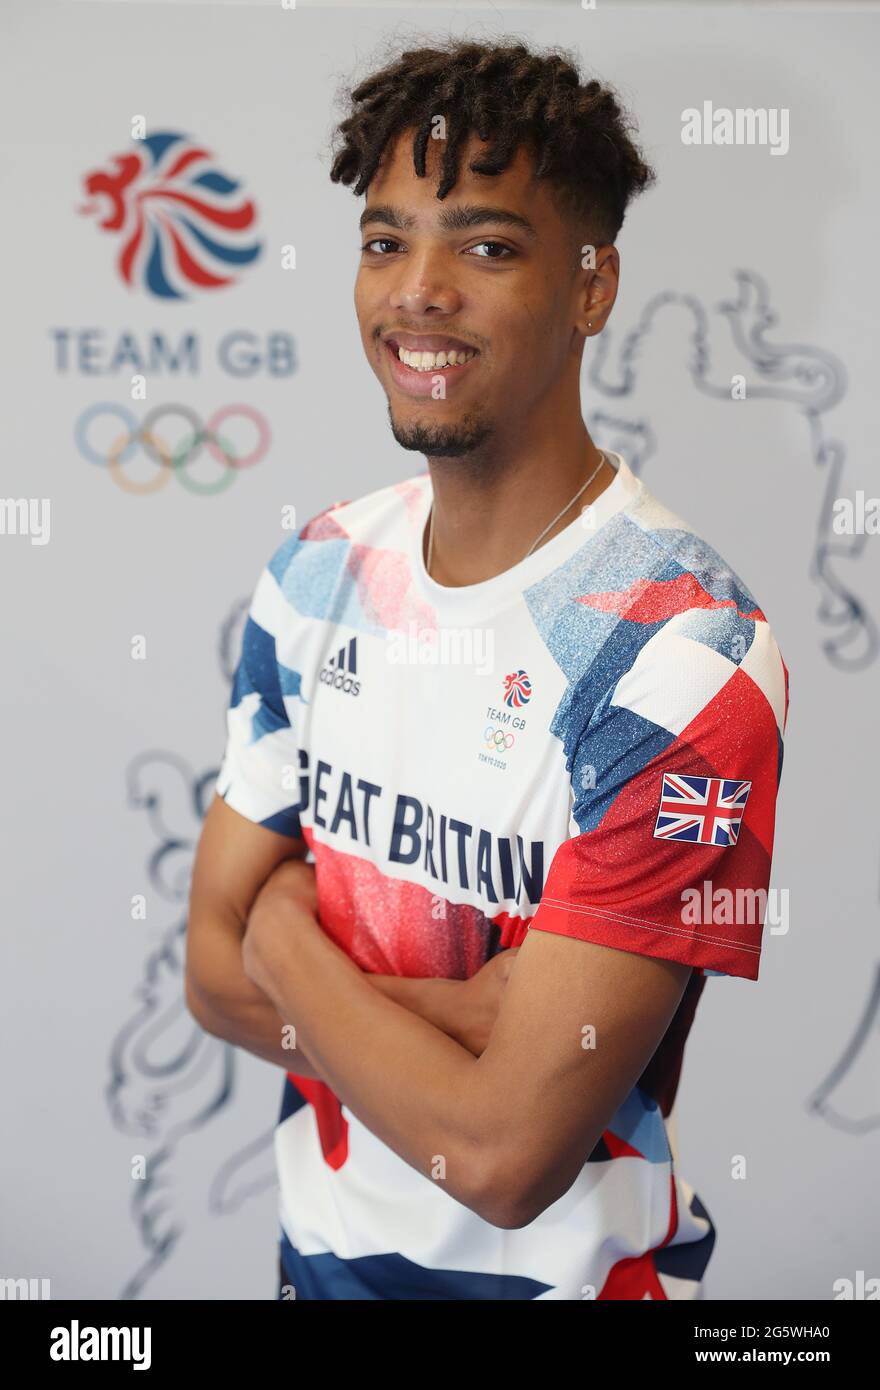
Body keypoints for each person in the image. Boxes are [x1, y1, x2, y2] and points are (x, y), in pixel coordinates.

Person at [185, 37, 790, 1301]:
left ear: (590, 285)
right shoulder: (318, 569)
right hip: (310, 1270)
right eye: (384, 240)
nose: (419, 292)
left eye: (487, 246)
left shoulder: (684, 648)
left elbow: (503, 1152)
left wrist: (288, 933)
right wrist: (470, 1018)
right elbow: (205, 974)